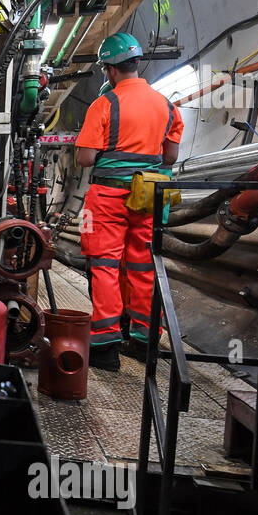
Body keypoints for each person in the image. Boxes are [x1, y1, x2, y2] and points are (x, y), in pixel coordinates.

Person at [74, 32, 184, 372]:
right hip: (149, 194)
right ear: (137, 64)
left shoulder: (105, 104)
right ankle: (144, 339)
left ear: (109, 70)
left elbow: (85, 159)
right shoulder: (168, 107)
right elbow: (170, 155)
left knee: (105, 266)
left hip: (108, 196)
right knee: (144, 265)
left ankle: (105, 345)